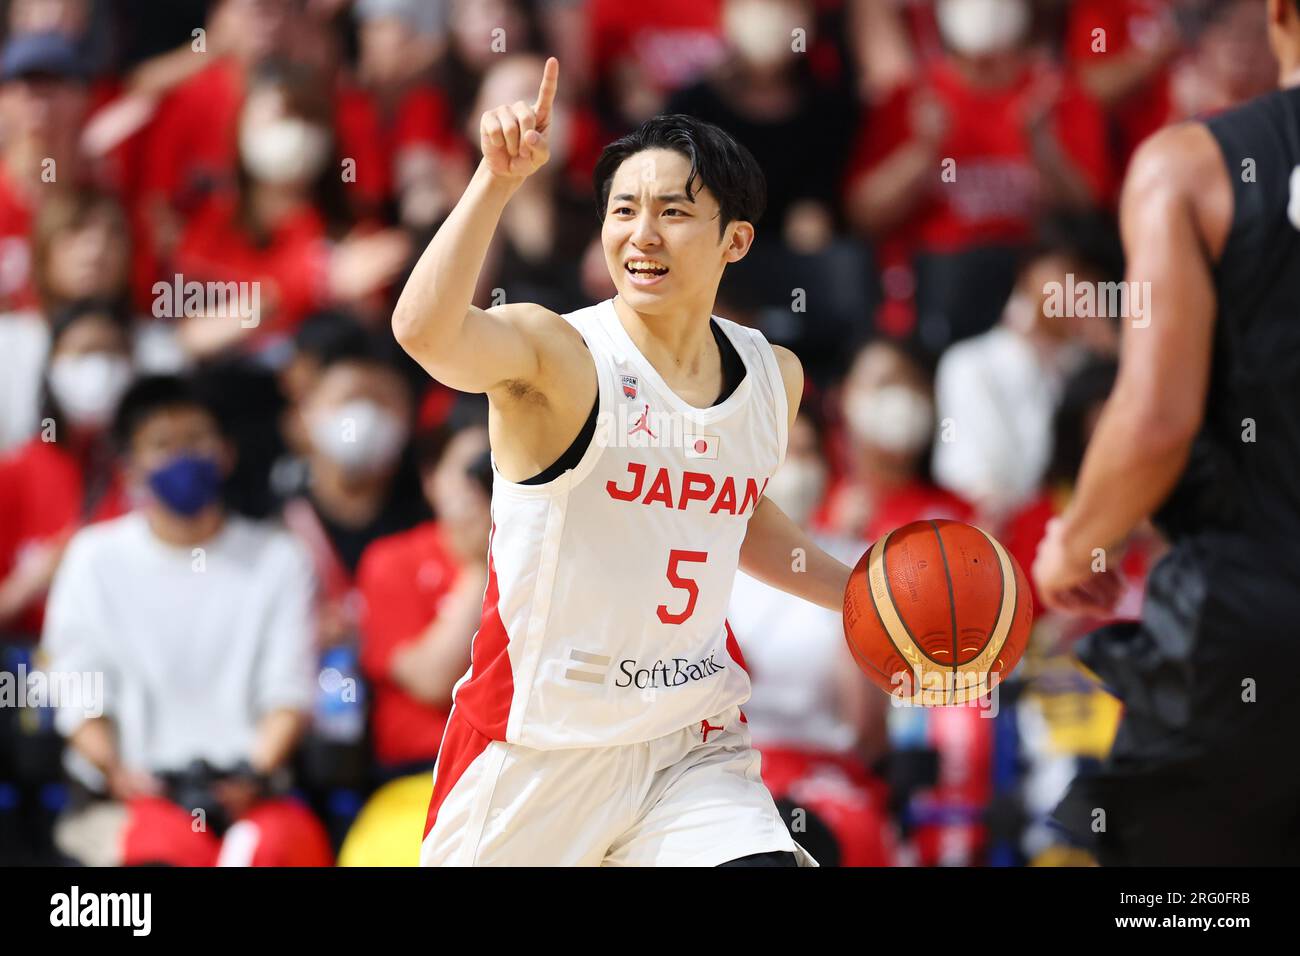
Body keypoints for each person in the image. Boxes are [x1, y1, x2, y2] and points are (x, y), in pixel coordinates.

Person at [392, 58, 855, 866]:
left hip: (686, 742)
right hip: (537, 751)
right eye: (623, 210)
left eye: (674, 212)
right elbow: (425, 333)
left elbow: (729, 512)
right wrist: (494, 184)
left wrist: (860, 597)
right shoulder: (558, 352)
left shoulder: (772, 376)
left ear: (734, 239)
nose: (641, 234)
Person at [1033, 0, 1300, 865]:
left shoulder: (1191, 167)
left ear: (1280, 15)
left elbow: (1156, 420)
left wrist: (1077, 543)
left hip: (1251, 627)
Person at [41, 375, 331, 866]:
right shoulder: (93, 559)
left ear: (226, 452)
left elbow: (289, 691)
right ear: (129, 468)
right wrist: (118, 771)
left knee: (280, 850)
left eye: (196, 439)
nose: (182, 457)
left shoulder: (279, 558)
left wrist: (251, 777)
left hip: (252, 801)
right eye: (161, 444)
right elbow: (76, 688)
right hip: (127, 798)